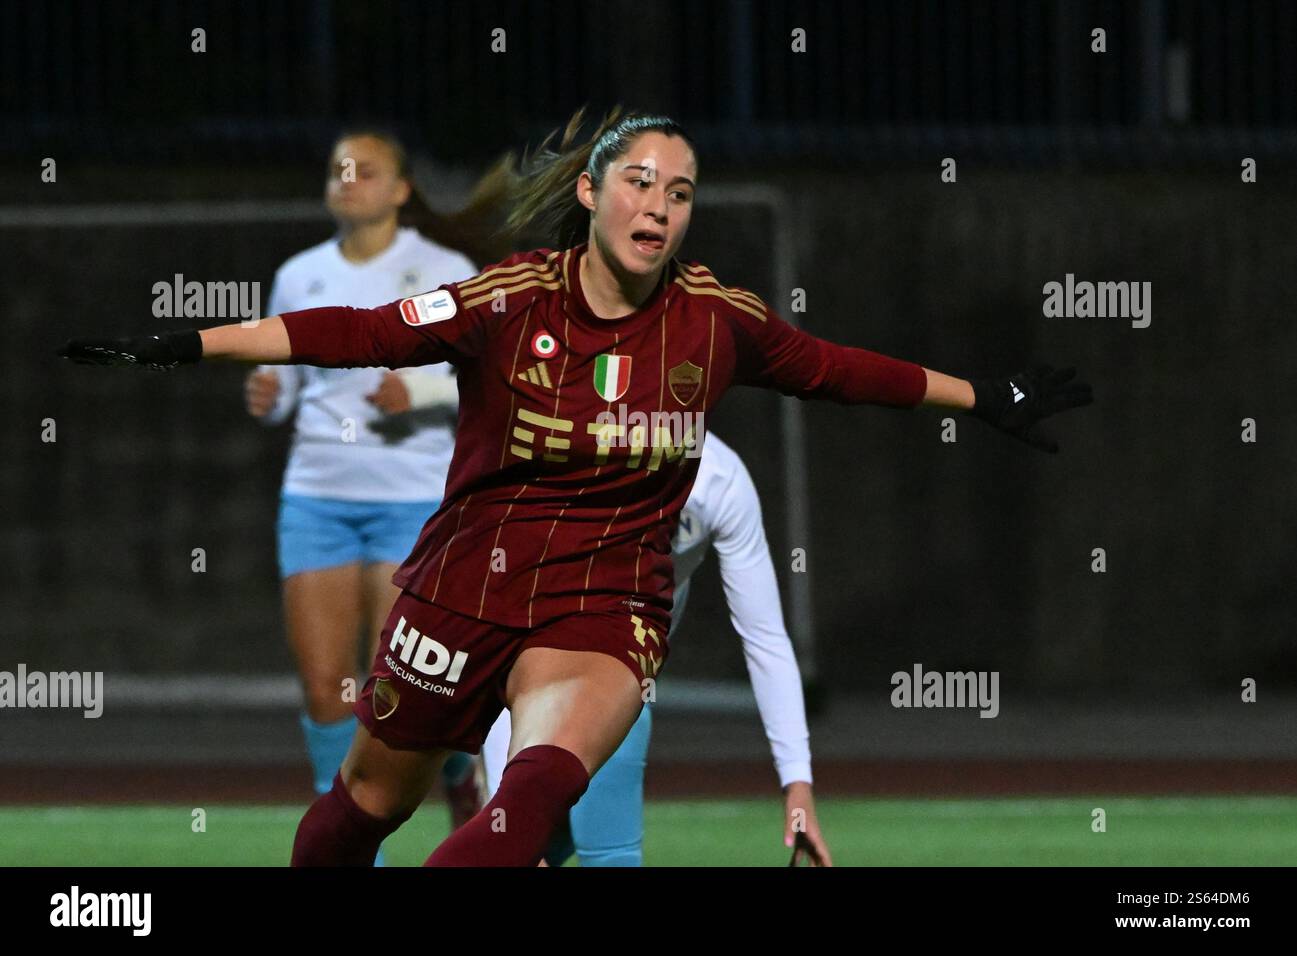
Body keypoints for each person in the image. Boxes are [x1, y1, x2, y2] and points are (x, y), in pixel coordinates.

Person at [59, 106, 1092, 867]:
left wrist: (982, 394)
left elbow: (837, 369)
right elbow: (358, 331)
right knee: (368, 797)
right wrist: (189, 343)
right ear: (593, 194)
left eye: (680, 192)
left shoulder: (713, 320)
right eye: (639, 181)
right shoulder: (509, 298)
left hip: (604, 606)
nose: (660, 205)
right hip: (465, 586)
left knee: (530, 797)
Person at [245, 130, 484, 853]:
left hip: (413, 501)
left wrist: (416, 386)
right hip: (317, 497)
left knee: (398, 692)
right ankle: (343, 840)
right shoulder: (297, 275)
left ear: (403, 189)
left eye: (366, 169)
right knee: (326, 688)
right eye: (337, 169)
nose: (348, 179)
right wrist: (268, 392)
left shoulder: (445, 269)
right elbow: (290, 384)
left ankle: (459, 774)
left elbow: (483, 377)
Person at [480, 431, 831, 866]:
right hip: (540, 666)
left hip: (623, 672)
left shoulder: (719, 481)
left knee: (563, 837)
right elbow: (508, 619)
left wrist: (798, 784)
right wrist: (502, 790)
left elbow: (763, 636)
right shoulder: (577, 460)